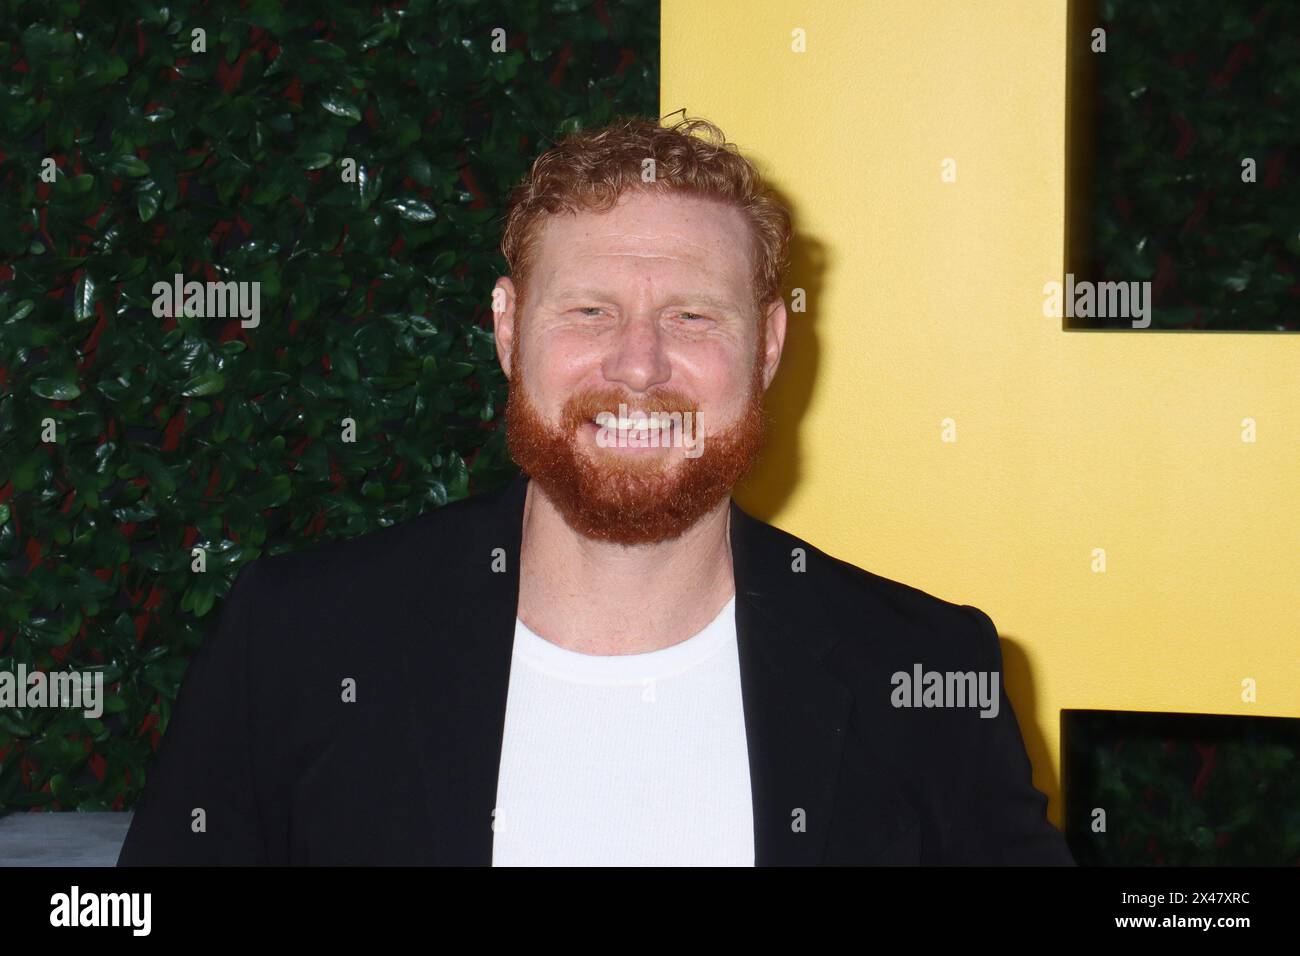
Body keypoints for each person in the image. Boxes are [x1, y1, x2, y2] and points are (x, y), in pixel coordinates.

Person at [118, 115, 1074, 866]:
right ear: (507, 328)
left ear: (770, 345)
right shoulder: (294, 638)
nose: (639, 366)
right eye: (590, 311)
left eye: (693, 316)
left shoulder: (924, 669)